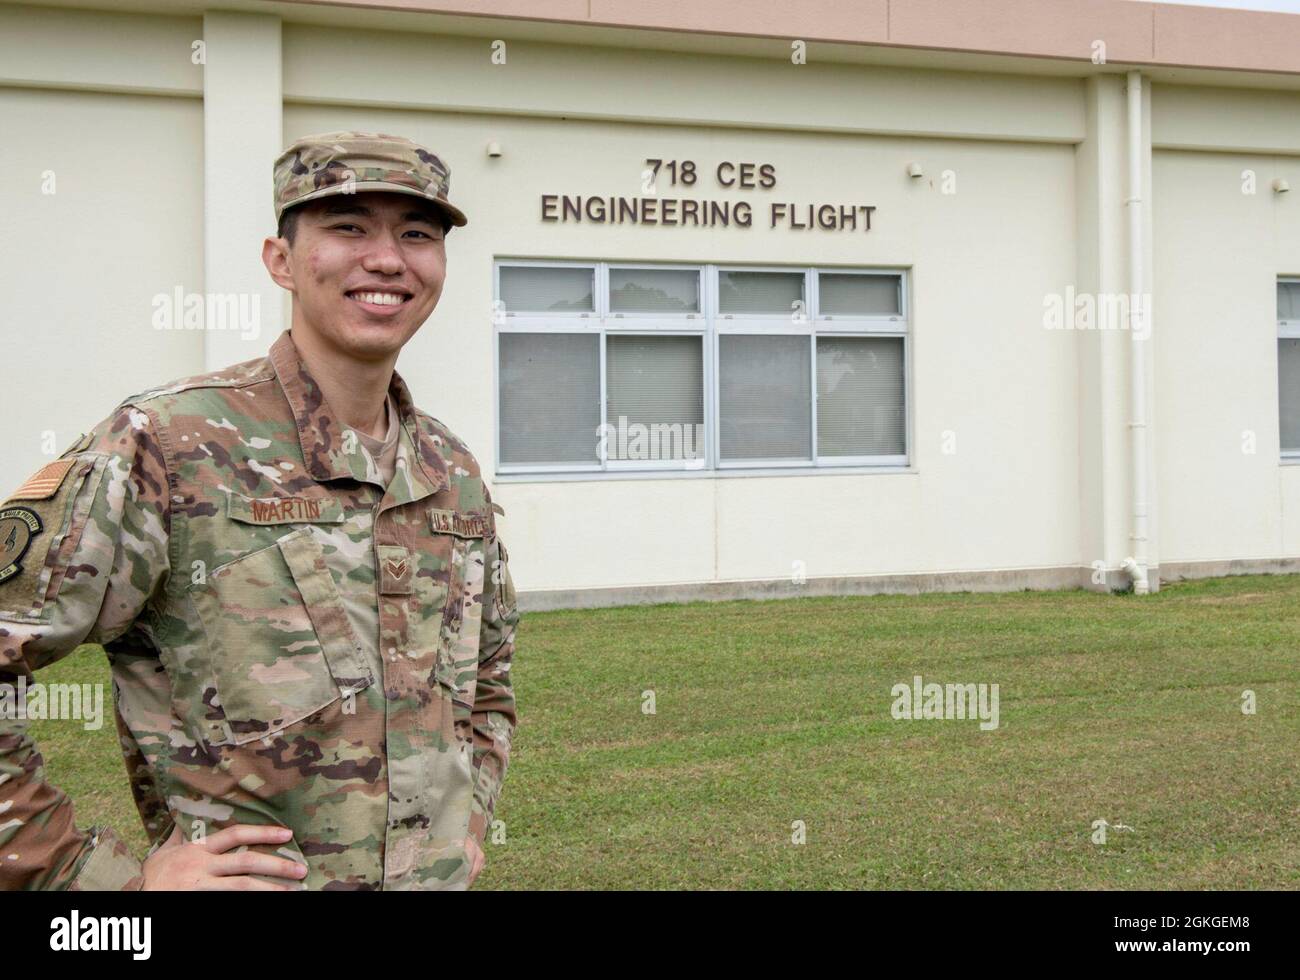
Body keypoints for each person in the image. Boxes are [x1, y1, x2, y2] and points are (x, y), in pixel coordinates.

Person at [0, 131, 518, 890]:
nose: (386, 258)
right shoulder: (169, 446)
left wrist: (465, 819)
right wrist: (92, 881)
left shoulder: (450, 471)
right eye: (348, 228)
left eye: (418, 234)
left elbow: (490, 673)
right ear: (280, 260)